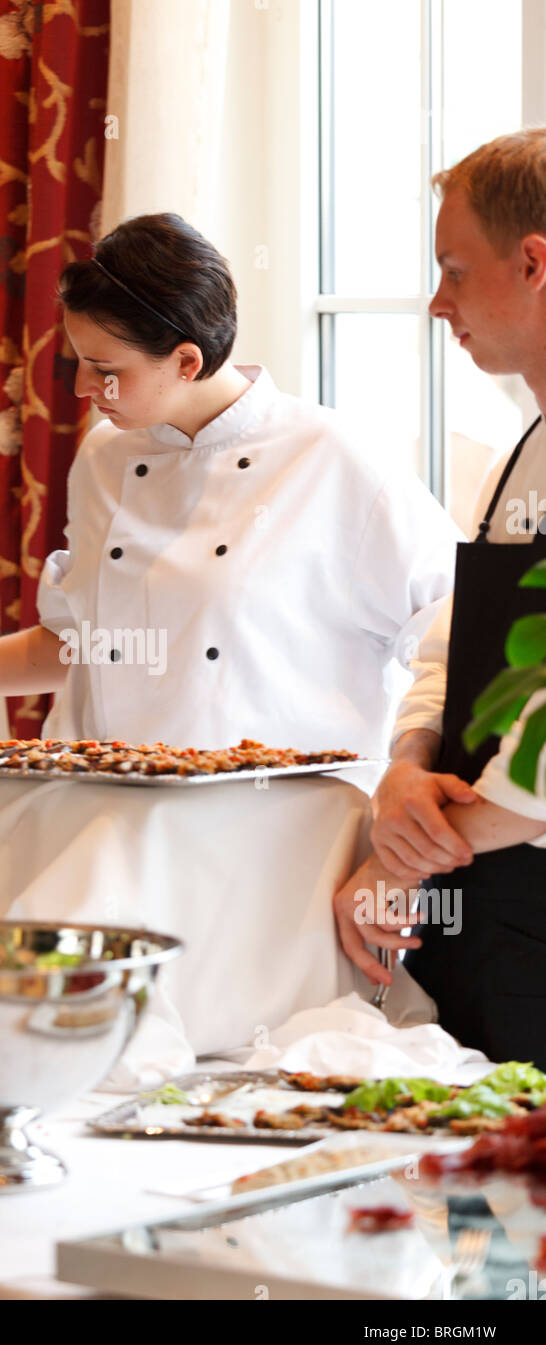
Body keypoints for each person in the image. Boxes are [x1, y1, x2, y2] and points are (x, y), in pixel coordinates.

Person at [0, 212, 460, 756]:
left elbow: (453, 632)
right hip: (100, 794)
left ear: (187, 361)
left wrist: (409, 778)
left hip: (273, 825)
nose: (80, 389)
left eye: (104, 369)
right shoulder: (104, 457)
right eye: (76, 362)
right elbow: (80, 641)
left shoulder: (334, 459)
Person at [334, 130, 546, 1066]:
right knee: (469, 1202)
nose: (436, 301)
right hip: (485, 924)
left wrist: (402, 854)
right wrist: (407, 761)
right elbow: (452, 646)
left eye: (455, 269)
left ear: (534, 262)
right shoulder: (523, 451)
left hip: (523, 906)